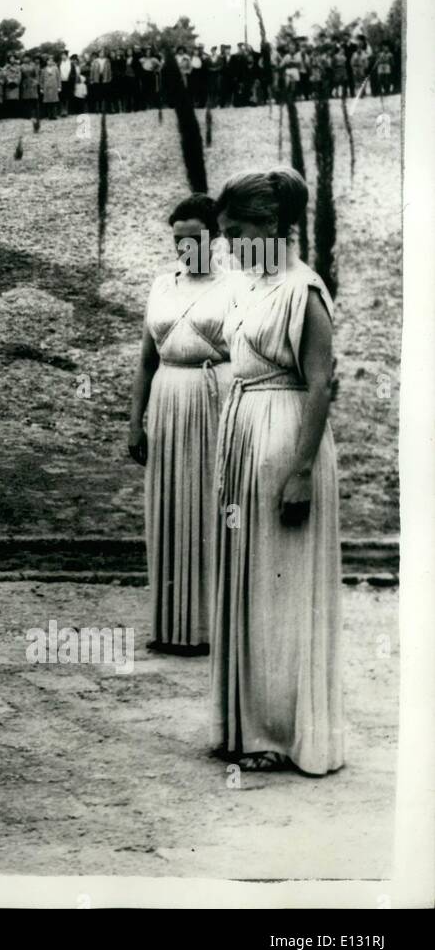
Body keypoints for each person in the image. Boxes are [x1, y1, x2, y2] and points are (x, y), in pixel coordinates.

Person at [210, 167, 342, 776]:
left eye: (235, 231)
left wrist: (302, 470)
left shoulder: (303, 289)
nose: (226, 244)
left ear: (270, 225)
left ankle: (284, 733)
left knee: (279, 587)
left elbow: (320, 384)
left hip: (286, 437)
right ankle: (246, 723)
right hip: (244, 433)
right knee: (247, 580)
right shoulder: (246, 284)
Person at [129, 194, 236, 655]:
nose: (184, 249)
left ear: (214, 239)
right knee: (170, 506)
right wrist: (135, 422)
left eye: (193, 240)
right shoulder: (161, 285)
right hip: (168, 398)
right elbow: (146, 361)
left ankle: (210, 629)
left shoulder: (238, 284)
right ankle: (170, 626)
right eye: (177, 241)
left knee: (212, 507)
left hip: (216, 397)